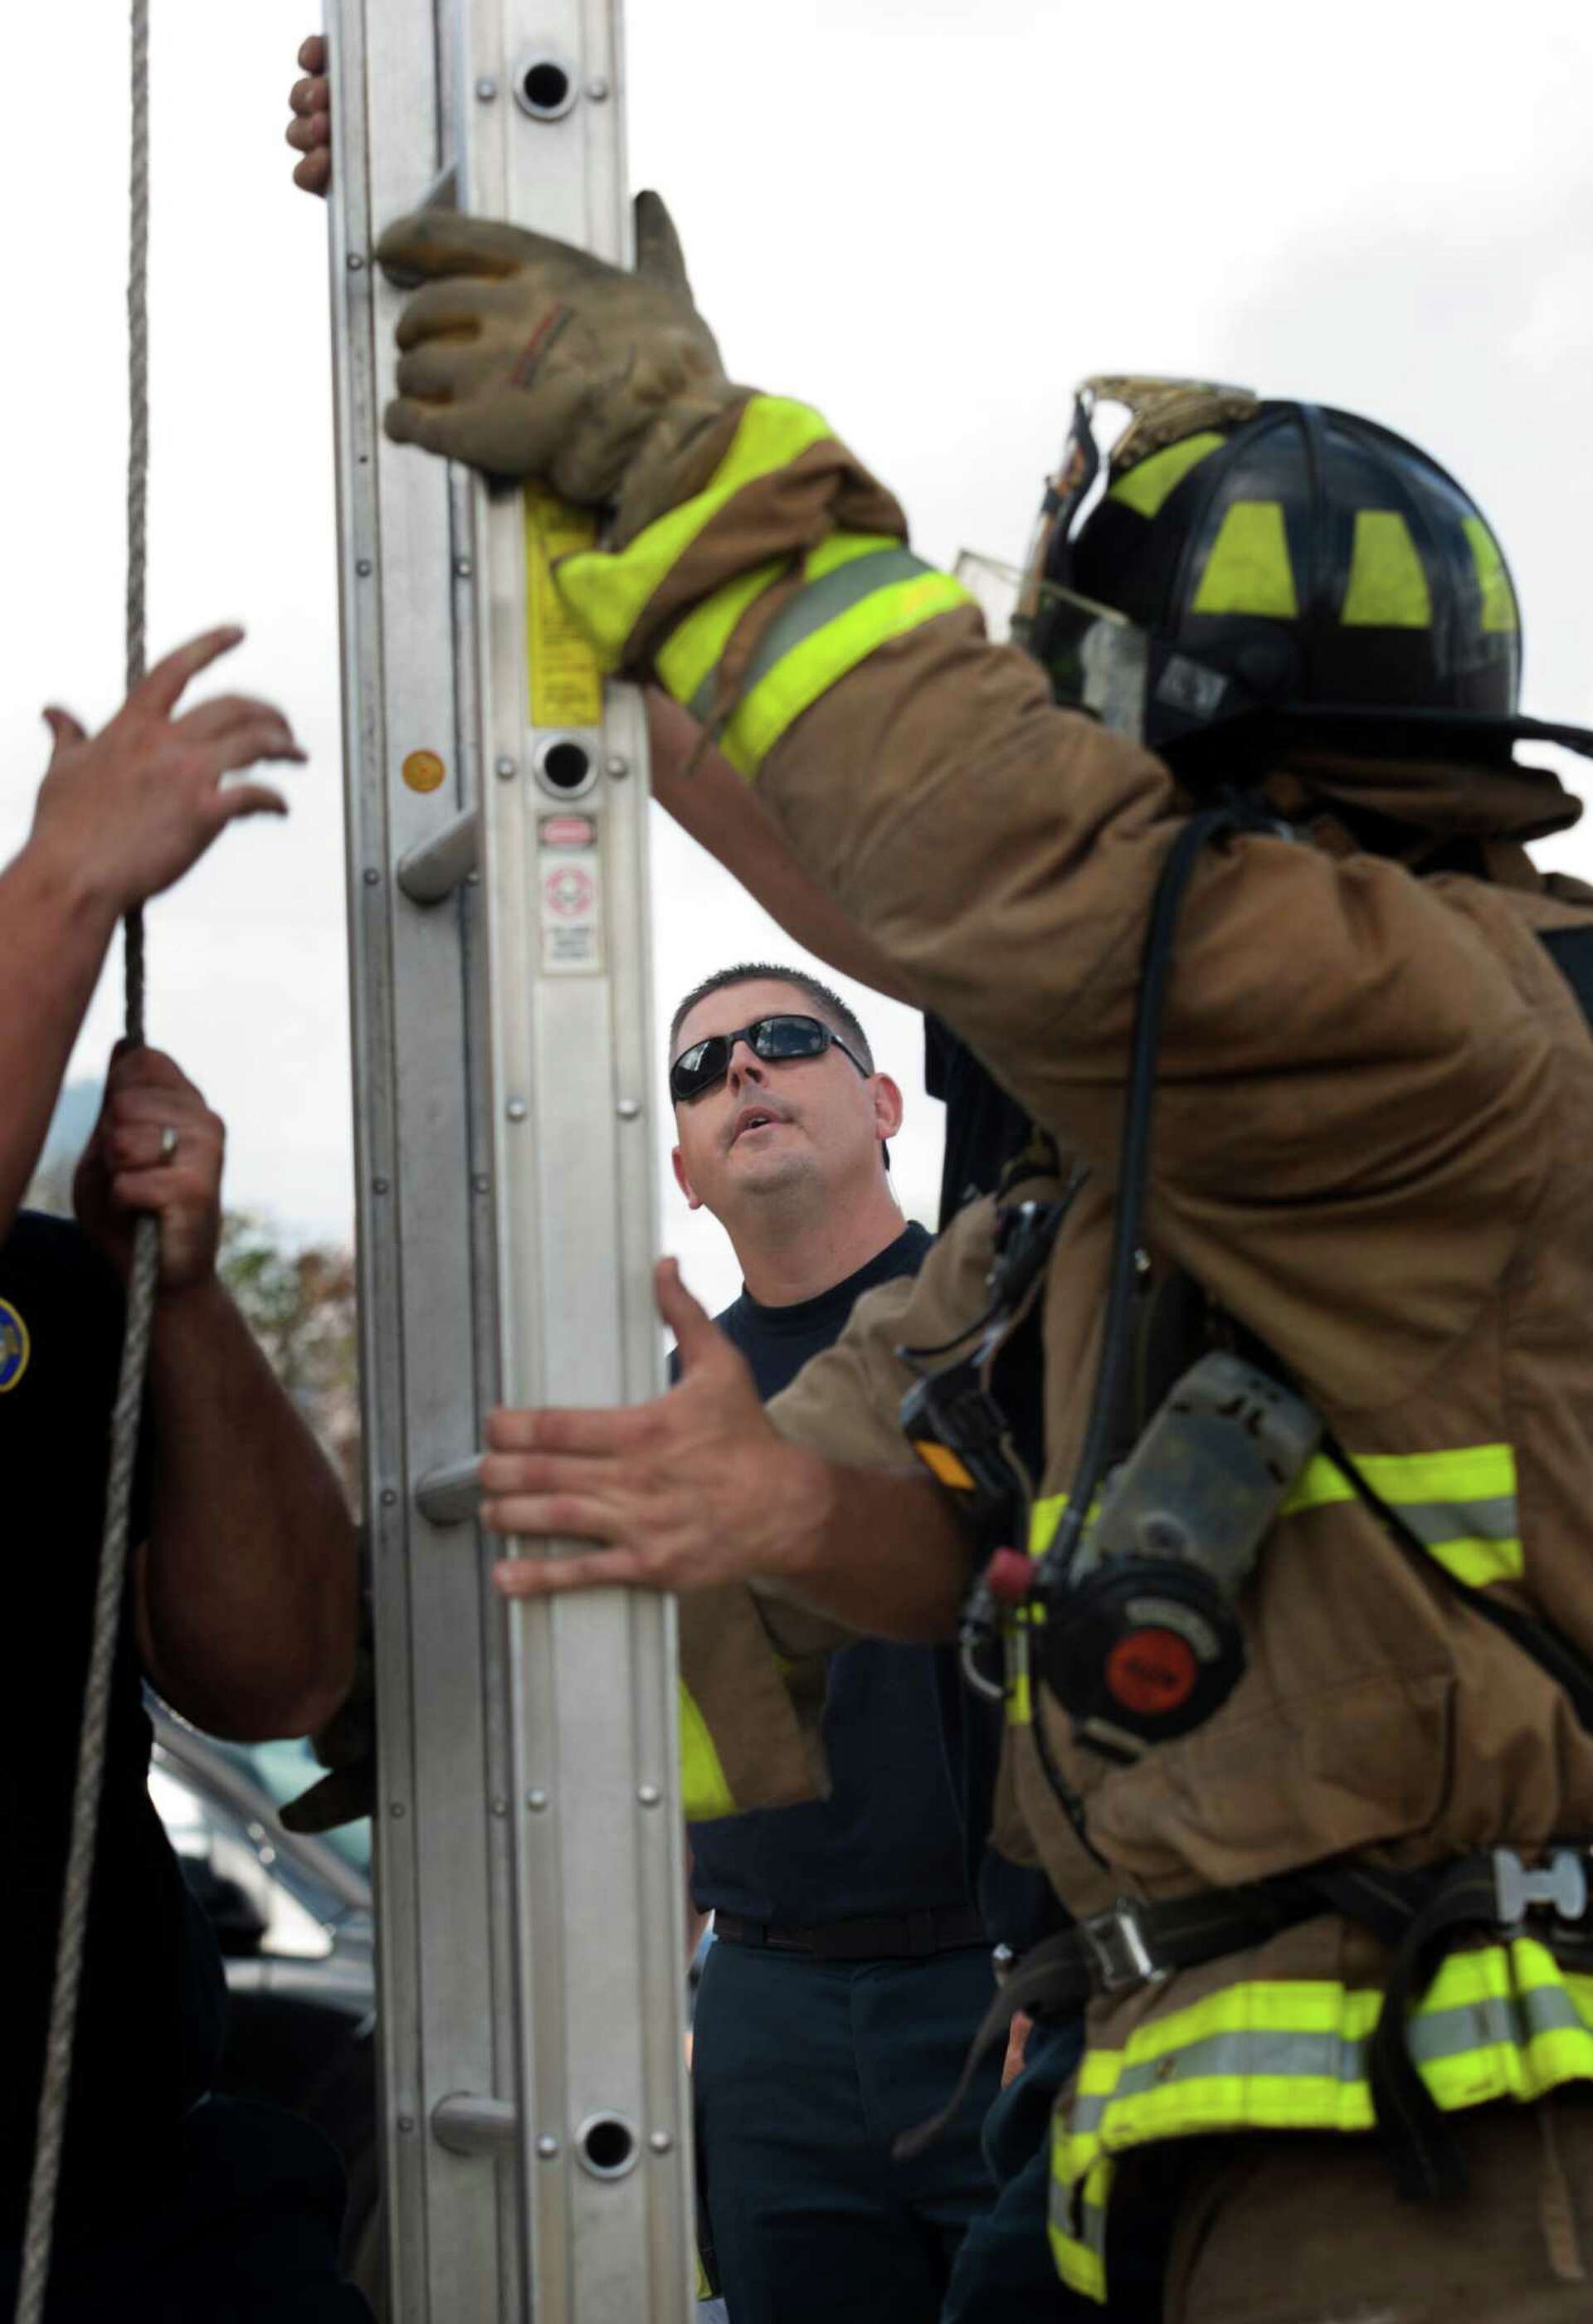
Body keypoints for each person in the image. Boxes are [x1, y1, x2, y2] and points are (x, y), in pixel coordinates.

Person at [380, 196, 1593, 2323]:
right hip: (1240, 2125)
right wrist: (760, 1511)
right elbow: (924, 1508)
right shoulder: (1160, 1162)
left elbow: (981, 851)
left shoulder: (1413, 1015)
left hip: (1467, 2171)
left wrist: (677, 455)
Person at [2, 630, 368, 2319]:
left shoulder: (53, 1292)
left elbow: (276, 1675)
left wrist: (188, 1295)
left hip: (134, 2200)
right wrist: (67, 882)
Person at [660, 958, 1019, 2322]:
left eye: (783, 1039)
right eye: (700, 1069)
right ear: (687, 1174)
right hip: (767, 2013)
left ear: (885, 1104)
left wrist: (1069, 1969)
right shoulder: (674, 1403)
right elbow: (658, 1744)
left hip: (1002, 1981)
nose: (742, 1069)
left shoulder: (1020, 1317)